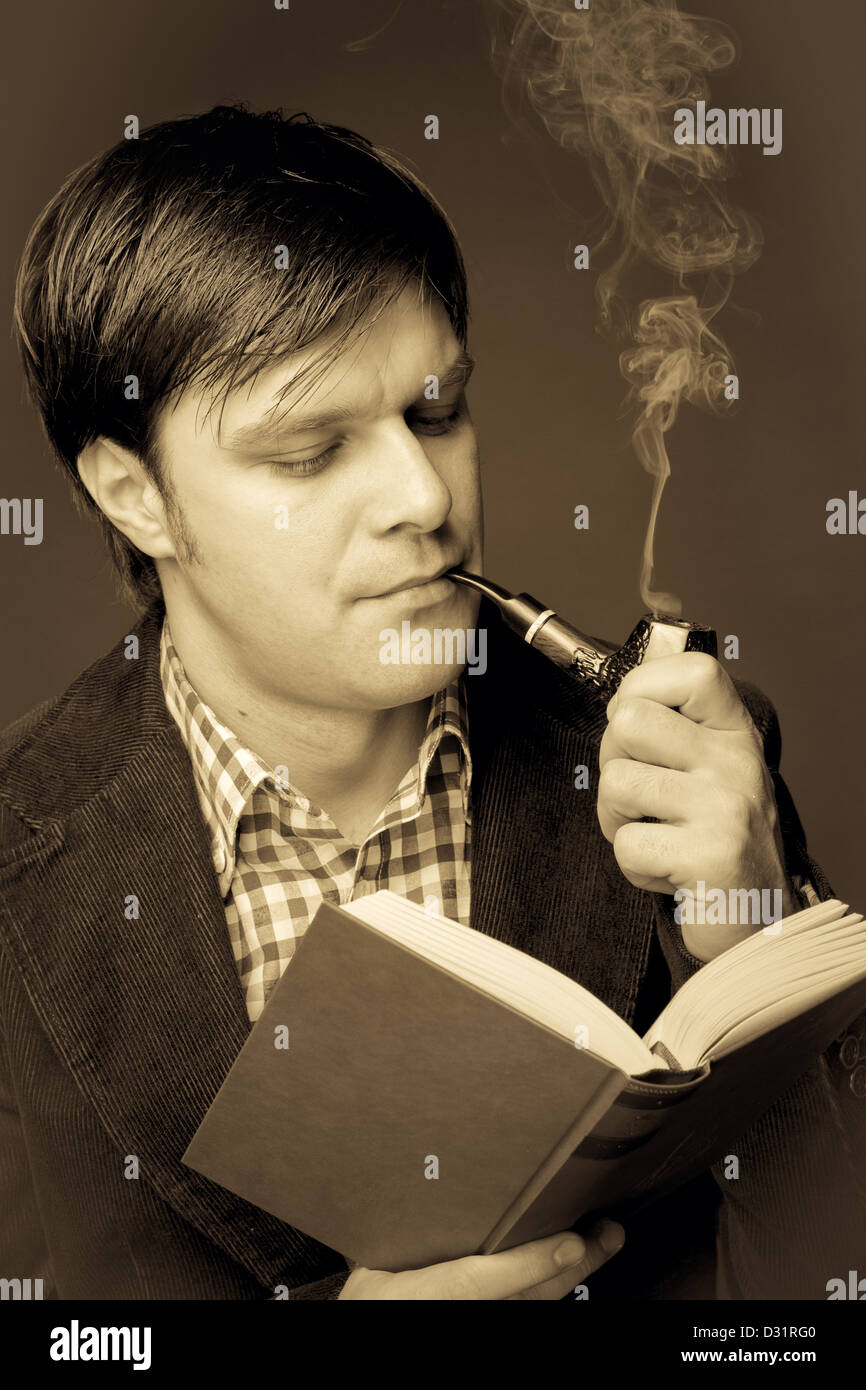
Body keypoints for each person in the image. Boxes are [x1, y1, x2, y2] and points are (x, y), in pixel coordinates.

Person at [2, 104, 862, 1301]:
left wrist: (763, 944)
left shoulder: (675, 777)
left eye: (436, 411)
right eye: (308, 452)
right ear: (133, 495)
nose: (422, 494)